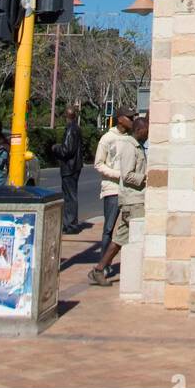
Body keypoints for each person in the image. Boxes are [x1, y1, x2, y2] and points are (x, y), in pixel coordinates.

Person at [88, 117, 149, 287]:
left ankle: (99, 270)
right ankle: (137, 274)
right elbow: (127, 175)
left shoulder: (137, 146)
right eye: (146, 130)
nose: (148, 133)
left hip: (134, 199)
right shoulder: (130, 148)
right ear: (139, 130)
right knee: (136, 237)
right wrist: (146, 178)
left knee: (119, 239)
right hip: (133, 200)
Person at [94, 108, 133, 272]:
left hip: (128, 190)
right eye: (129, 117)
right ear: (120, 119)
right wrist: (118, 175)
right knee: (108, 228)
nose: (132, 120)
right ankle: (103, 265)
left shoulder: (130, 139)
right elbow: (98, 164)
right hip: (112, 189)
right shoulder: (107, 139)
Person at [52, 106, 84, 235]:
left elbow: (67, 150)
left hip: (70, 167)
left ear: (66, 116)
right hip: (74, 166)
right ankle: (70, 223)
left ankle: (70, 224)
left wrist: (55, 148)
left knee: (69, 196)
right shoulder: (76, 128)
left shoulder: (71, 129)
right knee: (70, 195)